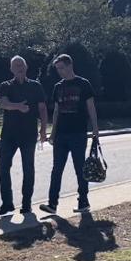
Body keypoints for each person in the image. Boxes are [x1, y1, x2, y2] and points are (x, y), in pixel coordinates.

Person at [40, 54, 99, 215]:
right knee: (56, 169)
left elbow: (91, 107)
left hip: (78, 133)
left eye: (62, 68)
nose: (60, 71)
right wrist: (52, 134)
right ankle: (52, 204)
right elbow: (57, 111)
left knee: (80, 168)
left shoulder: (83, 84)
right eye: (57, 69)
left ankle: (83, 202)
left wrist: (95, 130)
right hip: (61, 135)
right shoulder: (58, 87)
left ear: (70, 65)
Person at [0, 56, 48, 216]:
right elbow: (3, 103)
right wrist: (17, 106)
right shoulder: (5, 86)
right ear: (11, 69)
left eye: (22, 65)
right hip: (9, 134)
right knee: (3, 168)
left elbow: (43, 109)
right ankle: (7, 204)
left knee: (28, 169)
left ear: (26, 67)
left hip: (28, 134)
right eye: (16, 65)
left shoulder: (35, 86)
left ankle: (26, 204)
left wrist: (43, 130)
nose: (19, 68)